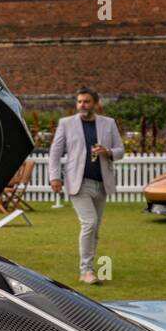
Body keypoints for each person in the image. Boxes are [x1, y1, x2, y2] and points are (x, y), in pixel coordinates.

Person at [48, 87, 124, 285]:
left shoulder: (108, 123)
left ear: (96, 104)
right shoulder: (66, 124)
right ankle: (86, 271)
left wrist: (107, 151)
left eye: (87, 101)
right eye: (80, 101)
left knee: (95, 229)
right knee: (89, 223)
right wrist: (55, 177)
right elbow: (55, 153)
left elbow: (120, 150)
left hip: (101, 184)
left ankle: (89, 267)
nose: (83, 105)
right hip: (78, 183)